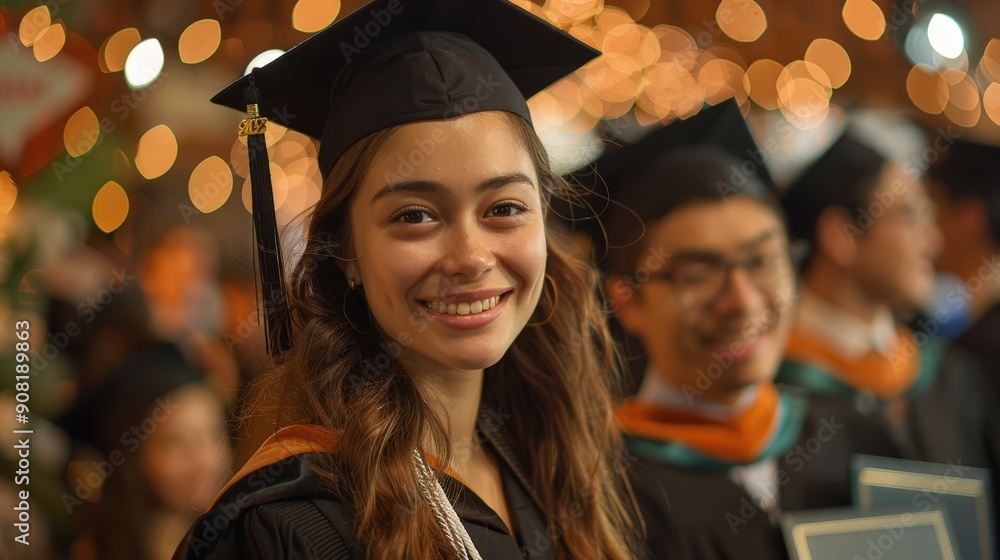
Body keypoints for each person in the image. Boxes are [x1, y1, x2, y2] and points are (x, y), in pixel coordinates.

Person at [174, 1, 639, 558]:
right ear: (343, 251)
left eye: (504, 208)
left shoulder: (551, 459)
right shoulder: (293, 528)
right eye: (414, 215)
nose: (470, 257)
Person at [598, 101, 897, 559]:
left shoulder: (858, 435)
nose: (743, 300)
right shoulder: (605, 493)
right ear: (629, 301)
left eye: (763, 262)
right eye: (697, 273)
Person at [775, 130, 1000, 513]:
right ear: (842, 236)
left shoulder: (948, 374)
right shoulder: (779, 392)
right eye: (911, 214)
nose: (933, 241)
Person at [59, 342, 232, 560]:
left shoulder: (244, 538)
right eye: (176, 442)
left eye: (213, 433)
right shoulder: (92, 551)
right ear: (133, 458)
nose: (203, 459)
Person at [927, 138, 1000, 394]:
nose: (925, 232)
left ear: (970, 219)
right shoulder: (975, 323)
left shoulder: (987, 345)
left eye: (933, 208)